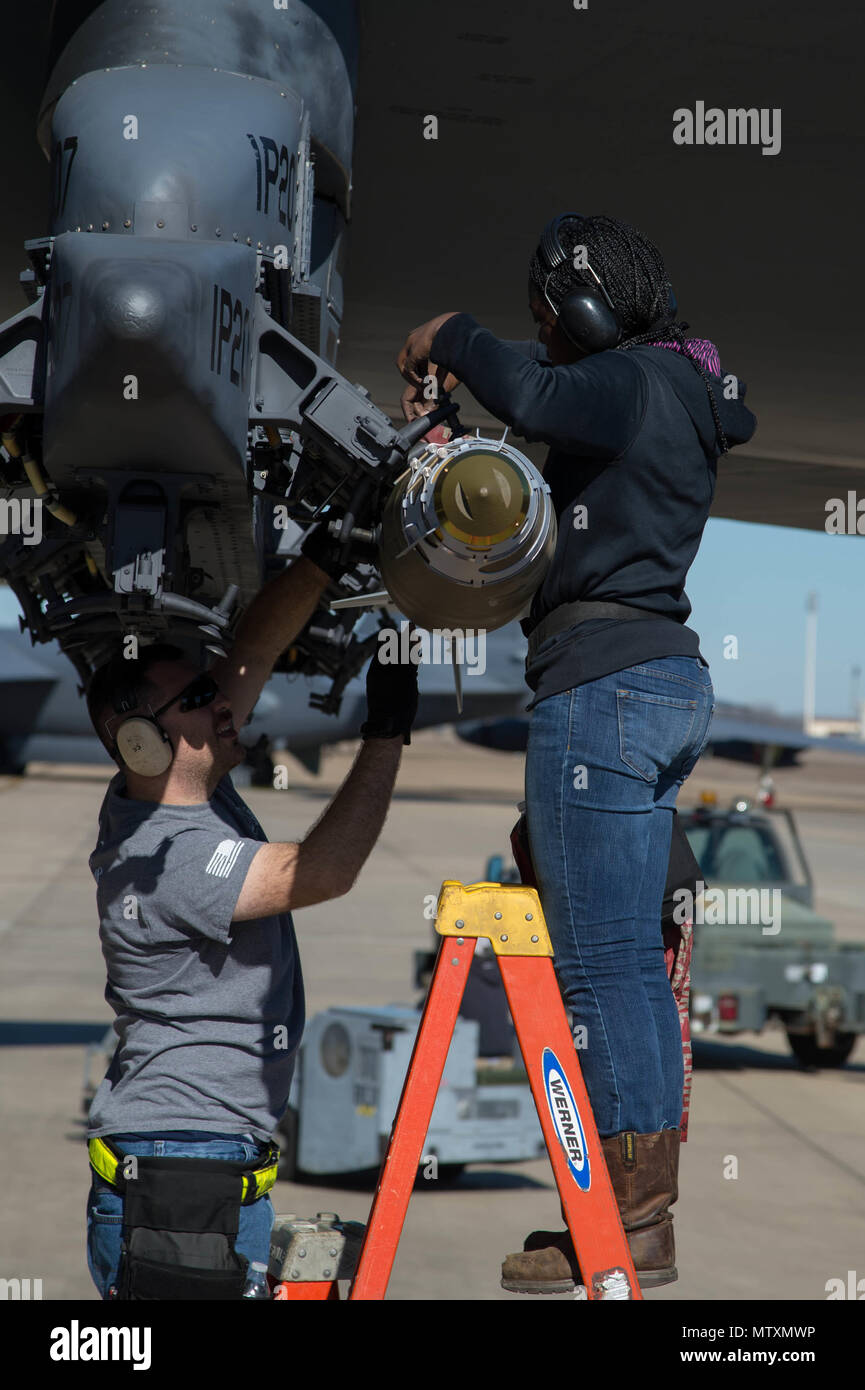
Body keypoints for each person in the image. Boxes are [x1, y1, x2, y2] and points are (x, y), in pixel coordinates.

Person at [397, 212, 757, 1293]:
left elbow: (541, 396)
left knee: (597, 968)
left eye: (548, 318)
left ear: (590, 309)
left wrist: (449, 335)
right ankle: (629, 1212)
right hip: (660, 684)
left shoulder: (631, 383)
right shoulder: (683, 392)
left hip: (598, 694)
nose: (542, 340)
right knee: (623, 964)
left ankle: (623, 1222)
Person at [83, 530, 419, 1299]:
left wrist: (328, 554)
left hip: (193, 1168)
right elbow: (321, 872)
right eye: (199, 701)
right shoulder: (176, 859)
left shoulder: (178, 794)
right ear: (142, 741)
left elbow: (253, 648)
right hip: (182, 1175)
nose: (222, 703)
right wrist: (385, 736)